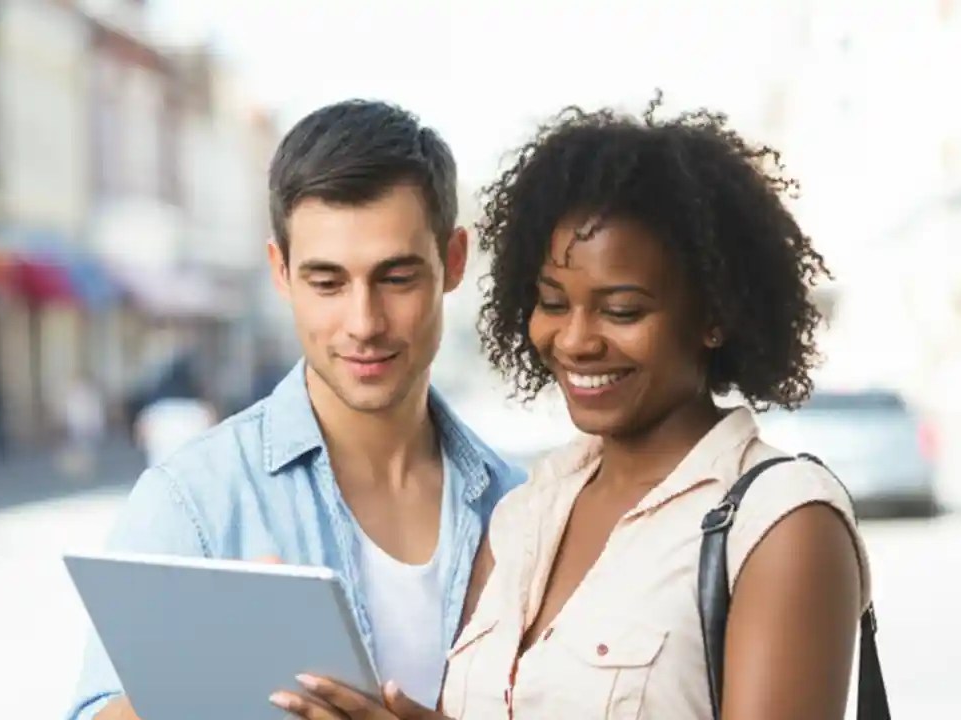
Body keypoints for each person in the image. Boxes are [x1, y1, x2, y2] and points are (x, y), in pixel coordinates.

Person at [275, 98, 873, 719]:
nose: (577, 340)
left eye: (622, 310)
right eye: (554, 303)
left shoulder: (781, 525)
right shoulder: (526, 511)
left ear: (715, 315)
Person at [67, 99, 524, 720]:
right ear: (281, 272)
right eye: (327, 283)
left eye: (395, 277)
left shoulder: (521, 509)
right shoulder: (195, 500)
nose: (363, 324)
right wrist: (206, 683)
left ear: (454, 261)